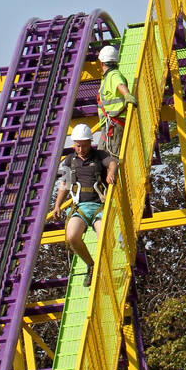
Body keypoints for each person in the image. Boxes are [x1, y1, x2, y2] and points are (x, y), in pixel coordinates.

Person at [53, 123, 117, 287]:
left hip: (99, 207)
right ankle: (91, 265)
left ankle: (106, 269)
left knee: (104, 237)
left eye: (84, 145)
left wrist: (110, 173)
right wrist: (57, 205)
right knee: (72, 236)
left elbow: (112, 163)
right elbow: (65, 184)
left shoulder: (99, 155)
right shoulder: (70, 161)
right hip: (80, 208)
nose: (80, 149)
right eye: (77, 145)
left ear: (90, 142)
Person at [97, 44, 138, 159]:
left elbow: (120, 84)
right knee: (101, 156)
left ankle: (112, 177)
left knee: (111, 156)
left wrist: (127, 95)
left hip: (114, 123)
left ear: (102, 63)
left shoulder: (113, 74)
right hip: (110, 123)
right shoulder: (108, 76)